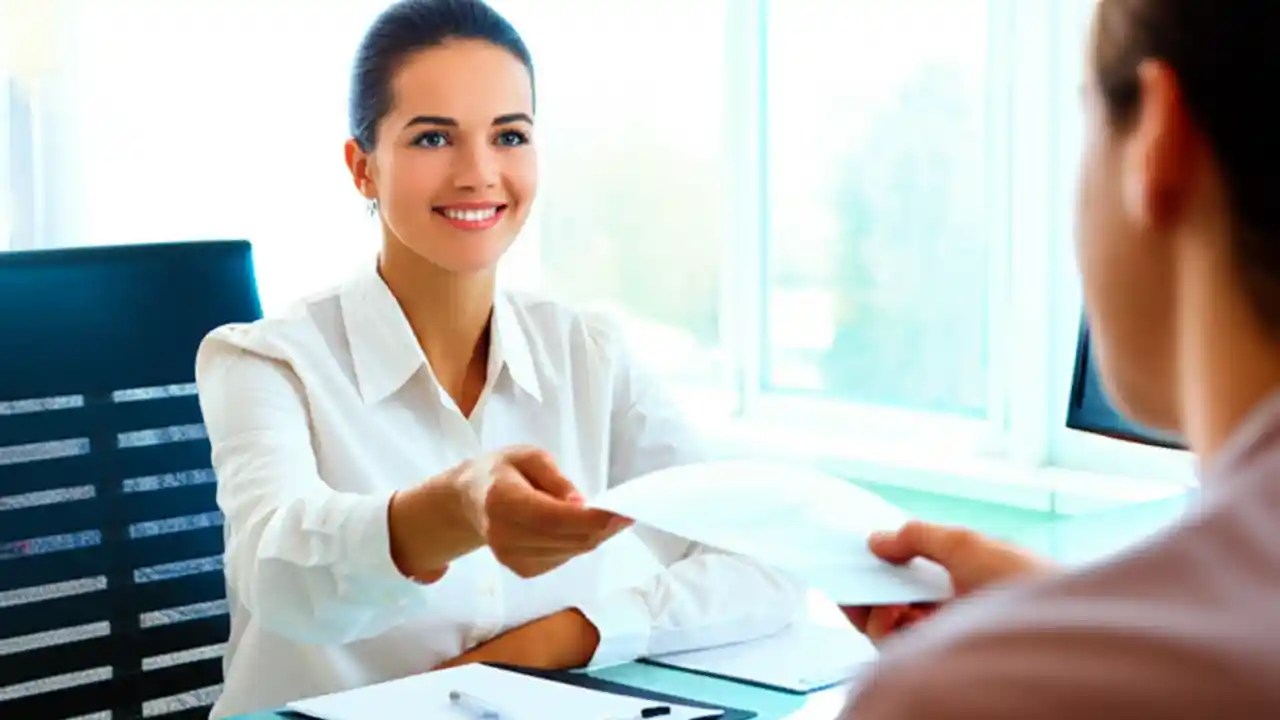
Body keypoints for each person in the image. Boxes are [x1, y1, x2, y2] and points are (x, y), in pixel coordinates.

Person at [195, 1, 802, 716]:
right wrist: (456, 510)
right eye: (432, 139)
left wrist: (565, 638)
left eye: (509, 135)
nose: (479, 173)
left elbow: (768, 558)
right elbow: (279, 578)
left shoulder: (588, 353)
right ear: (363, 168)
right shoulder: (265, 363)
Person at [839, 0, 1280, 716]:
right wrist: (1063, 609)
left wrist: (1026, 653)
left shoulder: (962, 694)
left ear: (1157, 144)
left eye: (1089, 123)